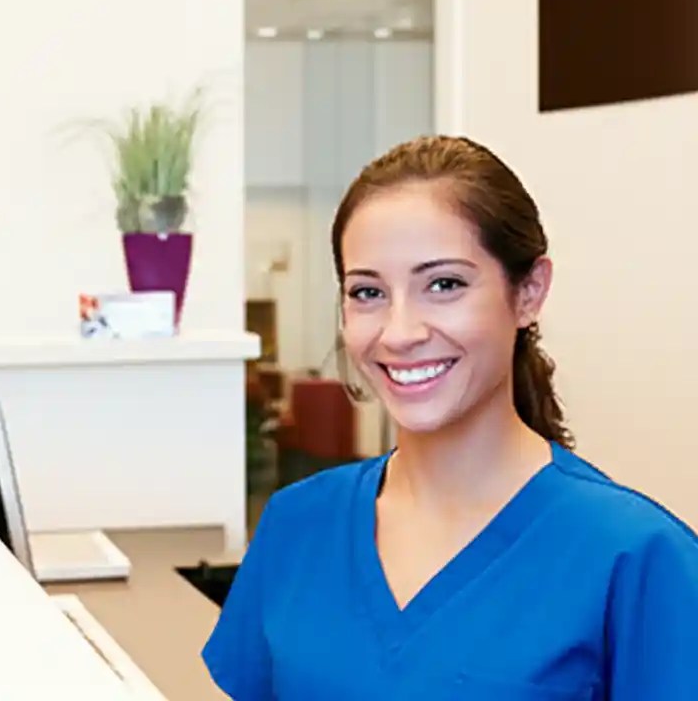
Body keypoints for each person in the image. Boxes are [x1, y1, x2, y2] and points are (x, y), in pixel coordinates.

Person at [203, 136, 698, 700]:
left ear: (529, 293)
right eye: (367, 292)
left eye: (444, 285)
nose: (400, 331)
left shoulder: (636, 558)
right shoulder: (298, 524)